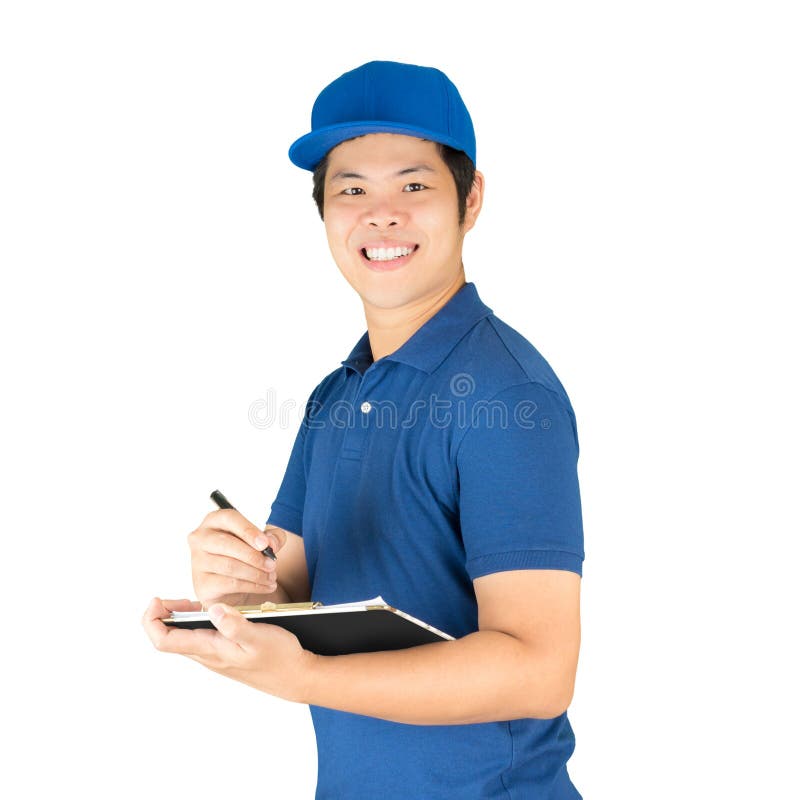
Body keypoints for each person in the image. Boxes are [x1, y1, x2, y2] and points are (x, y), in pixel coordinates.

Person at [143, 60, 585, 800]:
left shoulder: (511, 397)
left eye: (414, 186)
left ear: (470, 199)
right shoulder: (334, 398)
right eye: (352, 190)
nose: (381, 214)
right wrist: (237, 579)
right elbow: (303, 582)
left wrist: (305, 676)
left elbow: (540, 671)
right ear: (323, 214)